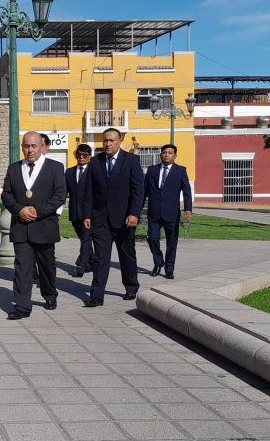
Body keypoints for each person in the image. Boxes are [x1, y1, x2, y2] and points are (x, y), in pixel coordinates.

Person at [0, 131, 66, 319]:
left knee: (46, 266)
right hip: (21, 227)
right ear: (22, 147)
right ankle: (22, 306)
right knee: (22, 267)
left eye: (33, 146)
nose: (30, 150)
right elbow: (6, 194)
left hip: (44, 226)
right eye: (26, 146)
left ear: (41, 146)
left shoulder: (55, 167)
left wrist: (37, 211)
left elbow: (59, 196)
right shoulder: (14, 169)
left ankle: (50, 294)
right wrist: (19, 210)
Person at [82, 127, 145, 307]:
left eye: (111, 140)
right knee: (101, 258)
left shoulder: (131, 161)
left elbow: (138, 190)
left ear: (119, 141)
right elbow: (88, 191)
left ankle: (131, 287)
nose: (108, 144)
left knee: (127, 255)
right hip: (101, 219)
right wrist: (87, 214)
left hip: (125, 219)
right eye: (105, 140)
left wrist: (134, 213)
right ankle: (96, 295)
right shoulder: (95, 162)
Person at [144, 144, 193, 279]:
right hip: (154, 212)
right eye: (164, 152)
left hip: (172, 213)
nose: (166, 155)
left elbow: (187, 191)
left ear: (175, 156)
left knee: (172, 242)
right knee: (152, 238)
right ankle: (158, 262)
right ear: (161, 155)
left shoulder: (180, 171)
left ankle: (169, 269)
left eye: (170, 153)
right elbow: (144, 191)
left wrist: (188, 209)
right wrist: (136, 210)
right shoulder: (152, 170)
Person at [65, 144, 94, 277]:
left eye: (84, 155)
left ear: (89, 157)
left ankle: (81, 264)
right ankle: (91, 263)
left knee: (87, 238)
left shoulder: (93, 171)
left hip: (89, 213)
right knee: (84, 239)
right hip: (75, 212)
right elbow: (63, 192)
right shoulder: (69, 172)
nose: (81, 157)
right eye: (79, 155)